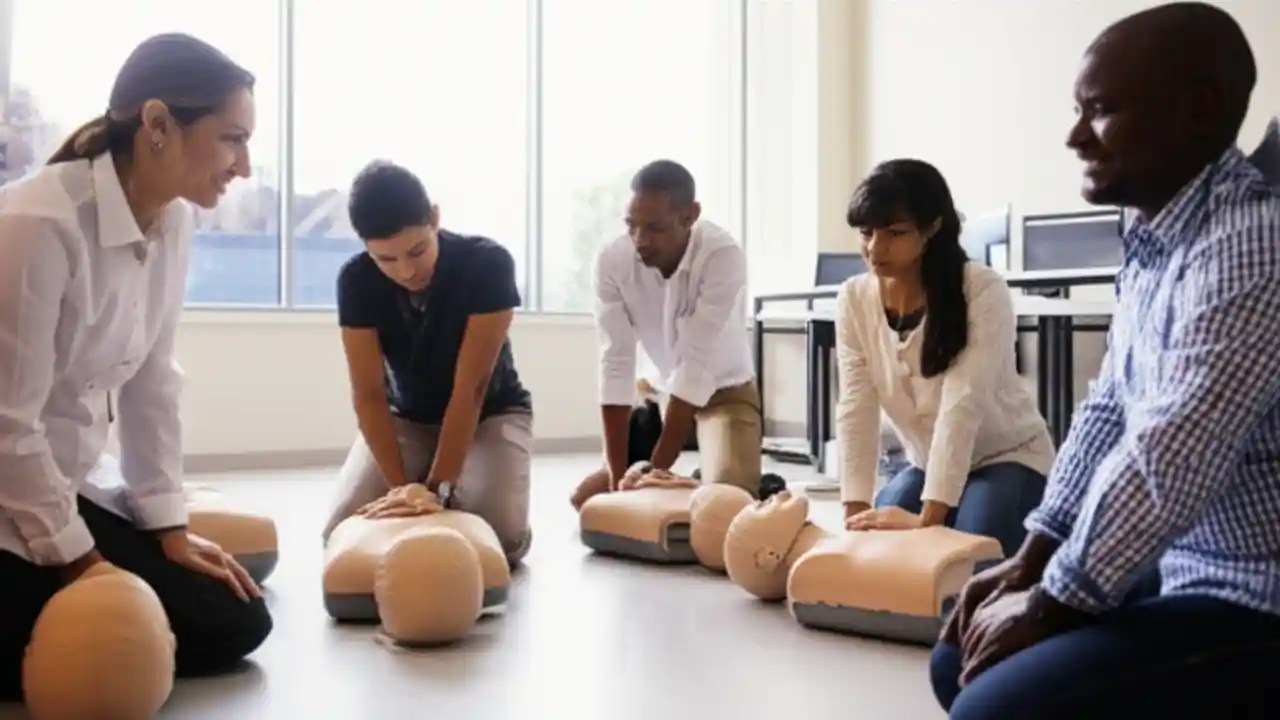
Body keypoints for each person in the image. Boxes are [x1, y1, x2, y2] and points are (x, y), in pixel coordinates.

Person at [930, 4, 1280, 718]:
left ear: (1201, 111)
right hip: (1188, 568)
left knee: (989, 704)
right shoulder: (1159, 235)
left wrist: (1057, 599)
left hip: (1254, 594)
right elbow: (1110, 409)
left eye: (1102, 110)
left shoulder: (1250, 244)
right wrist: (1031, 559)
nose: (1075, 134)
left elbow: (1169, 455)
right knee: (959, 655)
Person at [0, 33, 271, 700]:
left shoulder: (173, 223)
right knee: (90, 639)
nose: (244, 164)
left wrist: (166, 526)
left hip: (59, 488)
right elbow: (6, 427)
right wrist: (83, 564)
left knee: (234, 619)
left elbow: (154, 381)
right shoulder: (38, 225)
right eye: (232, 138)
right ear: (157, 124)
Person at [835, 159, 1055, 559]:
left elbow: (962, 403)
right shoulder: (853, 298)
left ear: (932, 228)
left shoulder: (981, 289)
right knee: (877, 544)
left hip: (1005, 456)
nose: (874, 248)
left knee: (965, 552)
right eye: (866, 233)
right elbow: (856, 408)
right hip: (925, 462)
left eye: (894, 233)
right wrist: (855, 518)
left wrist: (928, 521)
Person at [321, 160, 534, 565]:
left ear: (435, 218)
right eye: (386, 259)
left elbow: (470, 389)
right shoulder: (355, 280)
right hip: (409, 418)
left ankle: (457, 489)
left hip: (490, 413)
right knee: (342, 530)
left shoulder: (488, 265)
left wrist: (436, 490)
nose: (406, 270)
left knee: (500, 540)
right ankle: (429, 485)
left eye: (417, 250)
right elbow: (368, 395)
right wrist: (405, 491)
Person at [570, 159, 762, 509]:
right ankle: (686, 481)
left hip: (725, 394)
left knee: (725, 505)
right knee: (585, 499)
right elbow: (616, 362)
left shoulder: (723, 256)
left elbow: (695, 362)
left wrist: (655, 472)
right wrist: (617, 484)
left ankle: (745, 482)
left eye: (655, 228)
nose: (639, 241)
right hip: (658, 396)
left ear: (689, 216)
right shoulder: (613, 260)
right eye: (632, 226)